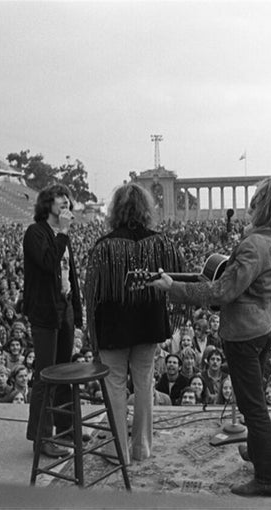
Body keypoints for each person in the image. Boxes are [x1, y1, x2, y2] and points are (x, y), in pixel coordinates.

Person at [148, 176, 271, 497]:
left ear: (259, 205)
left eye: (255, 199)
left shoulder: (254, 245)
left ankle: (268, 478)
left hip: (244, 332)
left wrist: (175, 288)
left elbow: (223, 290)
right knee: (250, 398)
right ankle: (255, 452)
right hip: (266, 326)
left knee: (253, 406)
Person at [84, 181, 183, 464]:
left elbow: (92, 295)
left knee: (115, 386)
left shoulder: (104, 246)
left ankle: (119, 451)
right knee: (144, 385)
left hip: (114, 328)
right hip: (148, 327)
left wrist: (93, 332)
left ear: (116, 210)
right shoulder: (162, 242)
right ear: (146, 209)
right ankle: (142, 448)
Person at [22, 184, 83, 458]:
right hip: (45, 312)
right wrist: (64, 233)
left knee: (65, 372)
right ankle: (42, 437)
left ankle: (67, 426)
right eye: (62, 206)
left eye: (68, 206)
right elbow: (48, 263)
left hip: (65, 306)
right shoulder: (36, 233)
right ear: (48, 207)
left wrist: (78, 315)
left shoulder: (62, 237)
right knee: (45, 375)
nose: (66, 210)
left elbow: (71, 276)